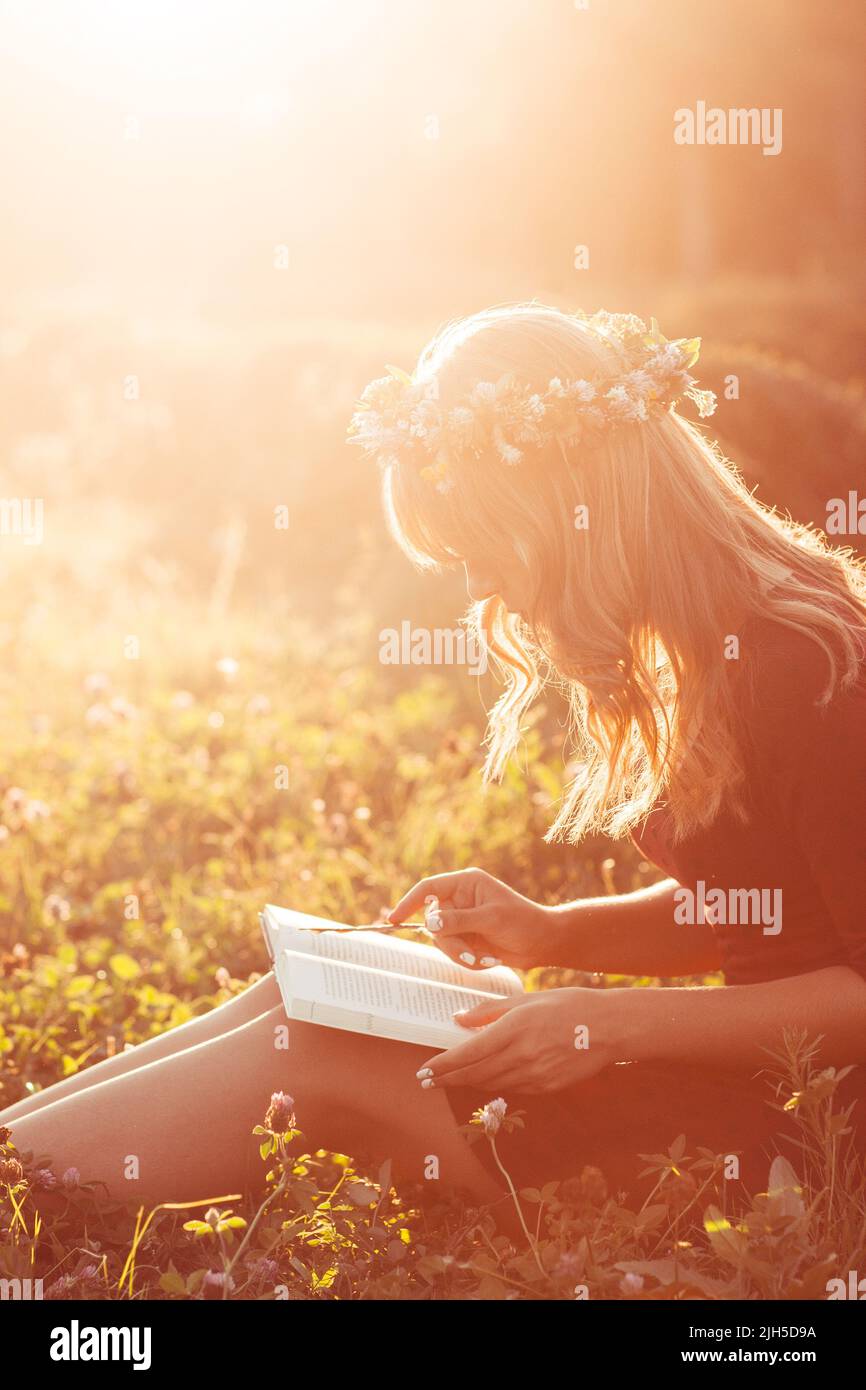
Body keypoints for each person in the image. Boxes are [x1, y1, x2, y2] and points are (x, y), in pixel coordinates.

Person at [4, 303, 865, 1212]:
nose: (480, 585)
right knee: (302, 1001)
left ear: (574, 510)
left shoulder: (810, 669)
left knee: (334, 1052)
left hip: (813, 1128)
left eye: (484, 546)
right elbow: (767, 908)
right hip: (760, 1081)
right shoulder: (722, 643)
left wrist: (600, 1023)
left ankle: (17, 1198)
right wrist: (554, 933)